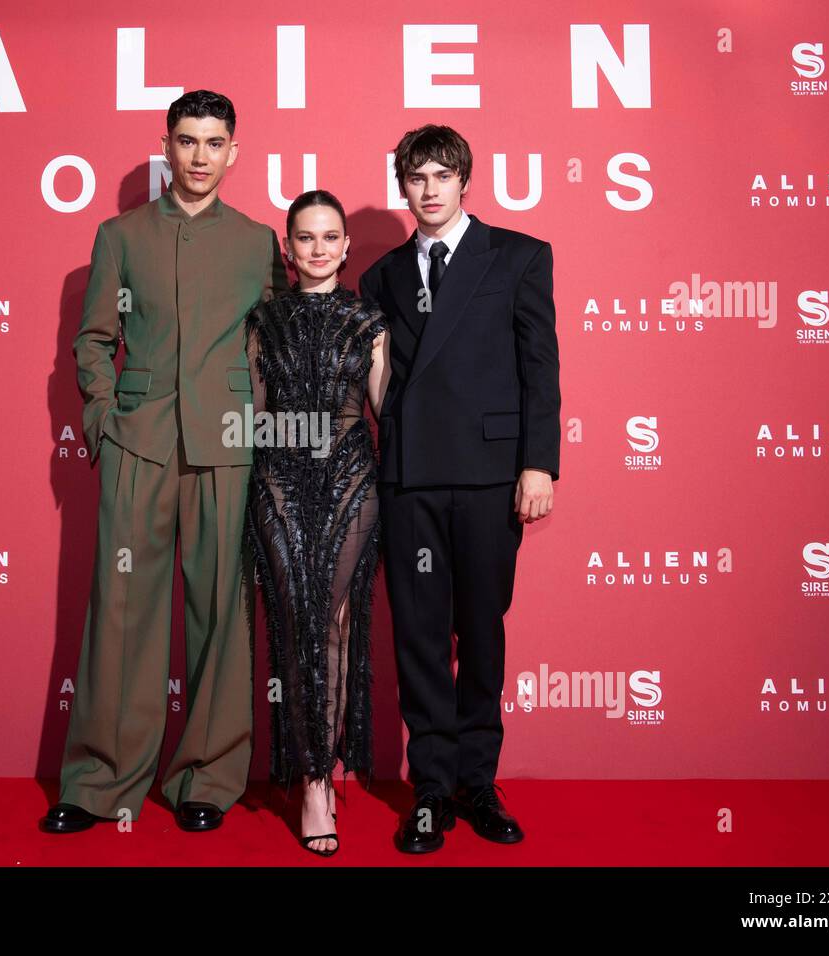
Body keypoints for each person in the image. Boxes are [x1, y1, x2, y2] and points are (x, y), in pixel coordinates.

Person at [41, 90, 289, 834]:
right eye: (187, 141)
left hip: (227, 447)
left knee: (222, 612)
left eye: (215, 143)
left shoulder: (257, 242)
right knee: (120, 615)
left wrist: (267, 430)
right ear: (167, 146)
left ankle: (207, 778)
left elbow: (271, 345)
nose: (201, 156)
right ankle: (96, 782)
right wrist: (103, 420)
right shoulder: (119, 234)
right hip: (139, 445)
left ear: (233, 152)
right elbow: (92, 341)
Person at [358, 125, 561, 854]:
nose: (431, 189)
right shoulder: (380, 277)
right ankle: (432, 788)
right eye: (417, 178)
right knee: (417, 634)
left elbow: (541, 368)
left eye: (444, 175)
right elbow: (381, 382)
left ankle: (479, 780)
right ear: (403, 187)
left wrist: (539, 463)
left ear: (465, 181)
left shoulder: (517, 256)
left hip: (488, 474)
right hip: (411, 473)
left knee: (480, 629)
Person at [243, 190, 389, 856]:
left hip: (353, 481)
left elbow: (388, 412)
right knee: (297, 622)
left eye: (331, 237)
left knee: (334, 624)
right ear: (289, 245)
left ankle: (323, 777)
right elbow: (256, 417)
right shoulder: (263, 322)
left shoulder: (371, 320)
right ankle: (308, 781)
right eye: (306, 238)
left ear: (346, 246)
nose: (320, 248)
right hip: (279, 481)